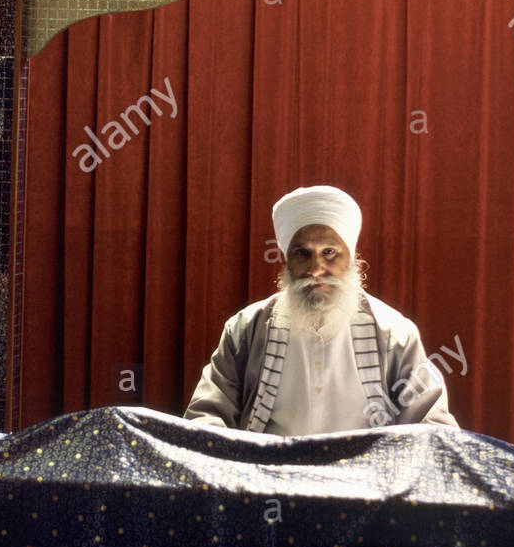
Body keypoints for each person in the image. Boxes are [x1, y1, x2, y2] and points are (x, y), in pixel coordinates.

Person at [184, 185, 458, 434]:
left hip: (364, 473)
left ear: (351, 258)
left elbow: (432, 429)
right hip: (268, 471)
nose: (315, 269)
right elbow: (206, 417)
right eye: (302, 253)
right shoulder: (246, 328)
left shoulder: (394, 333)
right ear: (286, 260)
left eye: (329, 252)